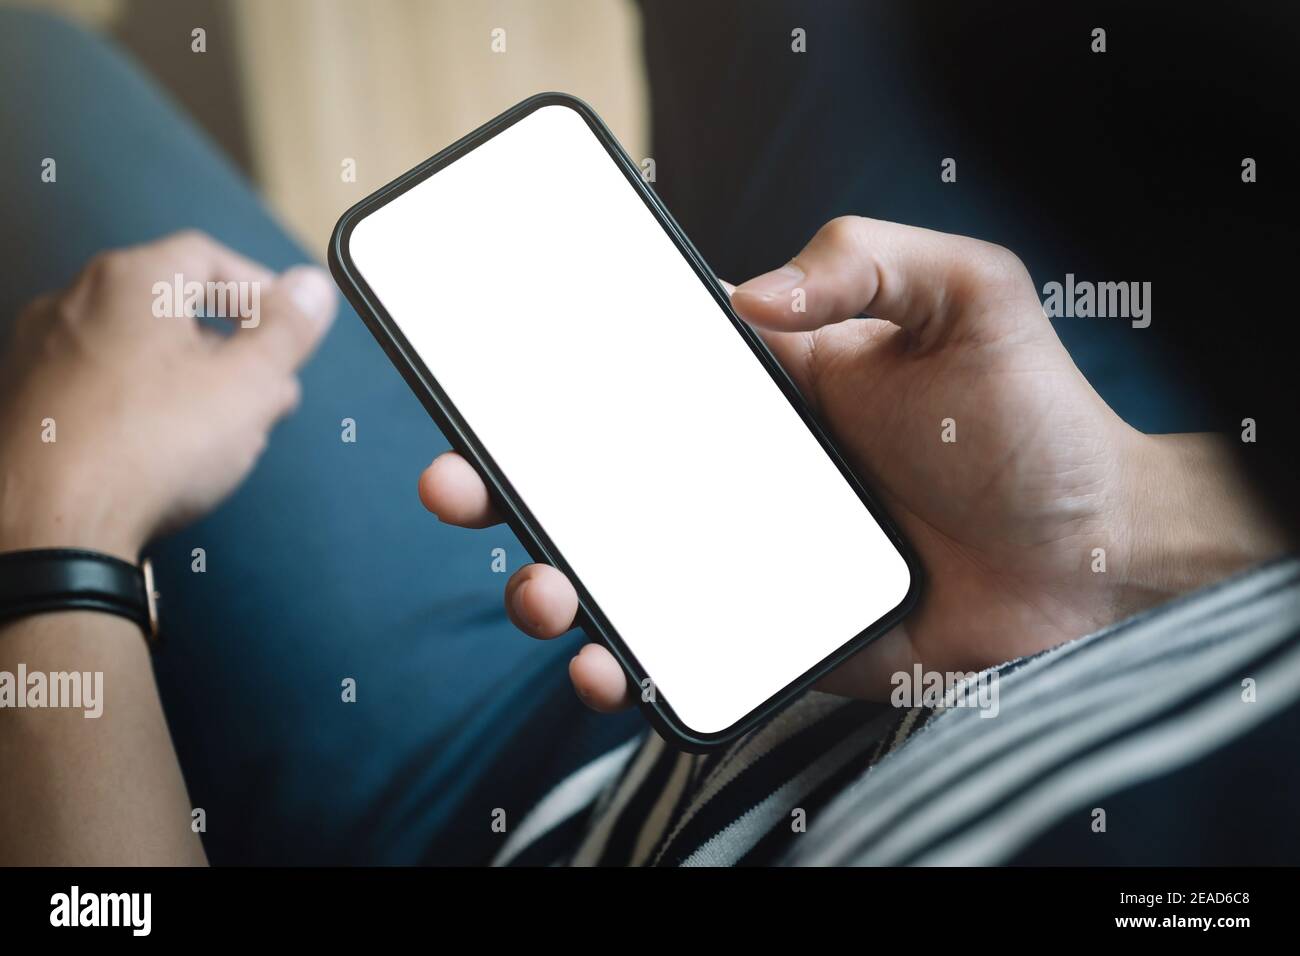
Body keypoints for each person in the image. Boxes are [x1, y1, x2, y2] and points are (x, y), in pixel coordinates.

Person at [1, 4, 1296, 867]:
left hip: (490, 818)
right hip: (983, 574)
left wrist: (57, 528)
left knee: (27, 88)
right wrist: (1118, 527)